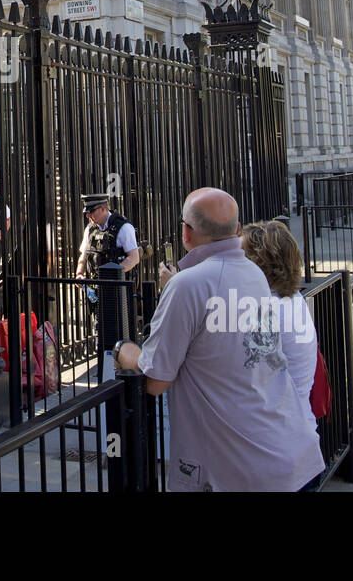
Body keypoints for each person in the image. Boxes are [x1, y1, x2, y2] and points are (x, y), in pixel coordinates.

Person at [114, 188, 324, 491]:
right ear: (237, 231)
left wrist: (125, 350)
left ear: (186, 233)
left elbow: (155, 379)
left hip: (237, 471)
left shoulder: (187, 285)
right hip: (295, 456)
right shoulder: (255, 274)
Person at [241, 220, 316, 420]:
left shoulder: (267, 310)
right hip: (296, 418)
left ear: (259, 263)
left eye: (243, 257)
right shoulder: (291, 299)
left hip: (277, 426)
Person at [76, 194, 139, 278]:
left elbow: (134, 257)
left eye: (91, 211)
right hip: (95, 284)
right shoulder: (90, 229)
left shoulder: (123, 227)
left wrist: (113, 274)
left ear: (102, 209)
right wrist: (79, 273)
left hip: (118, 286)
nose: (87, 216)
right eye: (86, 213)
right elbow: (84, 254)